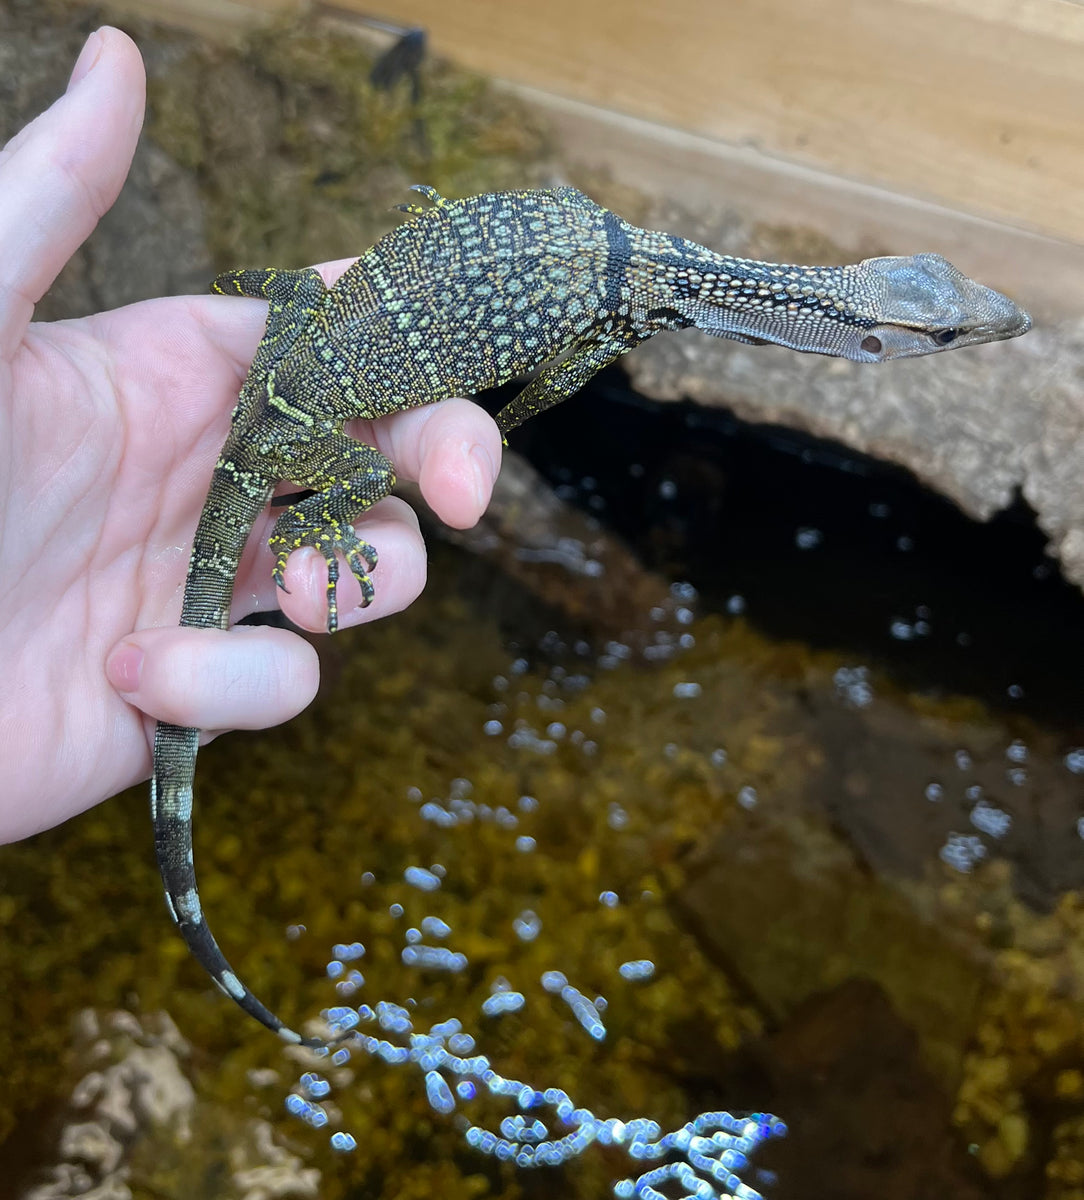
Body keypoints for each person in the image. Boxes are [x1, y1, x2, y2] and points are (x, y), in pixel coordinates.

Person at [0, 28, 501, 842]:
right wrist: (316, 523)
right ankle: (309, 523)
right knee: (374, 479)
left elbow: (305, 293)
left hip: (281, 396)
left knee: (335, 369)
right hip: (289, 414)